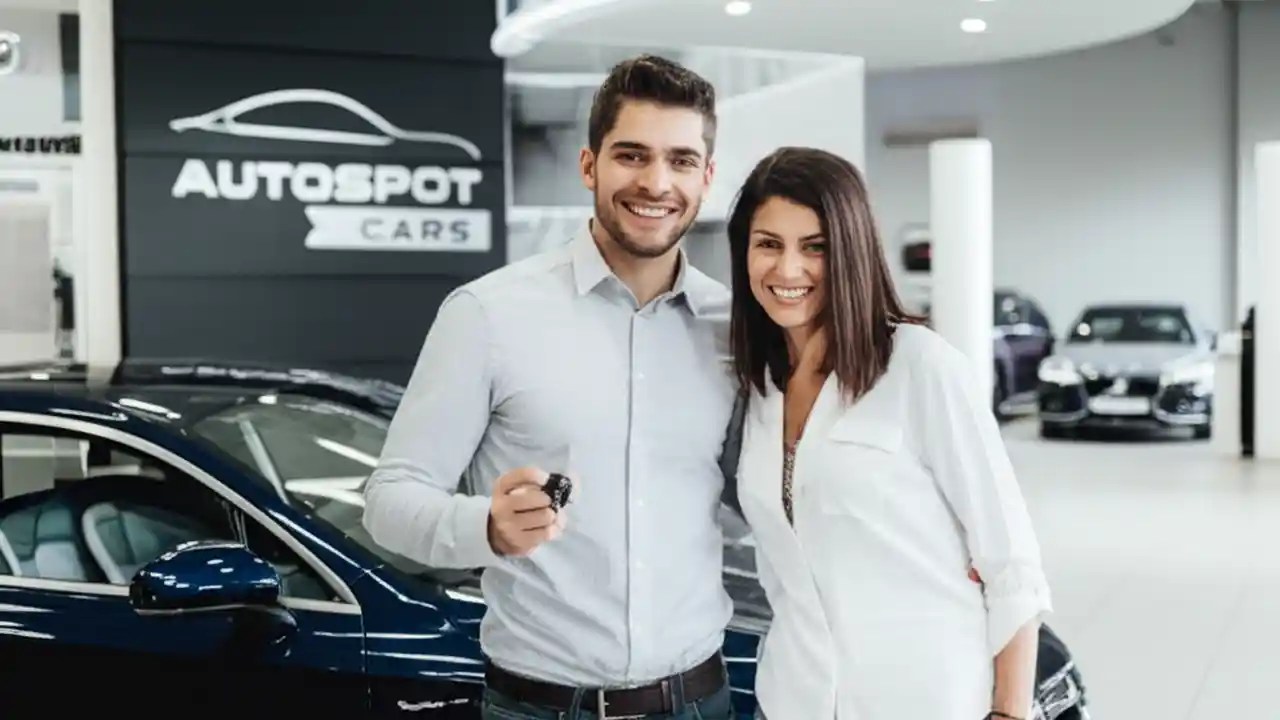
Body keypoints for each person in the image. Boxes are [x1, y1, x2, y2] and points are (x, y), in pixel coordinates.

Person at [362, 54, 738, 720]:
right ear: (590, 165)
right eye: (632, 155)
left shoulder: (732, 330)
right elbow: (389, 500)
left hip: (700, 701)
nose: (657, 182)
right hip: (544, 707)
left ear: (706, 178)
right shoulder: (488, 314)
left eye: (681, 161)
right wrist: (487, 527)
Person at [725, 147, 1052, 720]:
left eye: (815, 247)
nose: (787, 269)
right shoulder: (758, 387)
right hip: (795, 700)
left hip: (926, 699)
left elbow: (1011, 563)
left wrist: (1009, 712)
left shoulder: (920, 367)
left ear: (851, 252)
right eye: (768, 244)